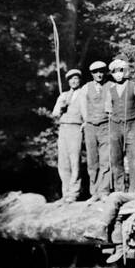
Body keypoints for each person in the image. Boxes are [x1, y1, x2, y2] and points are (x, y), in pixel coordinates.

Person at [105, 59, 135, 193]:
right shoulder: (111, 90)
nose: (118, 74)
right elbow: (108, 110)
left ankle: (134, 190)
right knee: (115, 159)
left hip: (132, 125)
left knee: (134, 159)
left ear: (125, 71)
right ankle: (119, 189)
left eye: (121, 71)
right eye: (115, 72)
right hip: (115, 126)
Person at [52, 68, 85, 201]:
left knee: (74, 161)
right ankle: (65, 193)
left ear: (79, 80)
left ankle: (74, 193)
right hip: (63, 129)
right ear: (68, 81)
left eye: (76, 78)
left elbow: (86, 112)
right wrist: (61, 106)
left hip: (76, 128)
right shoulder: (63, 95)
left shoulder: (83, 94)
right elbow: (55, 114)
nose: (74, 81)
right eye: (71, 79)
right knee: (63, 162)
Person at [81, 60, 112, 198]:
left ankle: (104, 190)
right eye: (96, 72)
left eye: (101, 71)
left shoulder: (111, 86)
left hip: (106, 126)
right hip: (91, 127)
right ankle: (94, 192)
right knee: (92, 161)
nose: (99, 75)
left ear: (105, 72)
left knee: (106, 160)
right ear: (92, 74)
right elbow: (82, 107)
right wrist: (86, 120)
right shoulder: (86, 88)